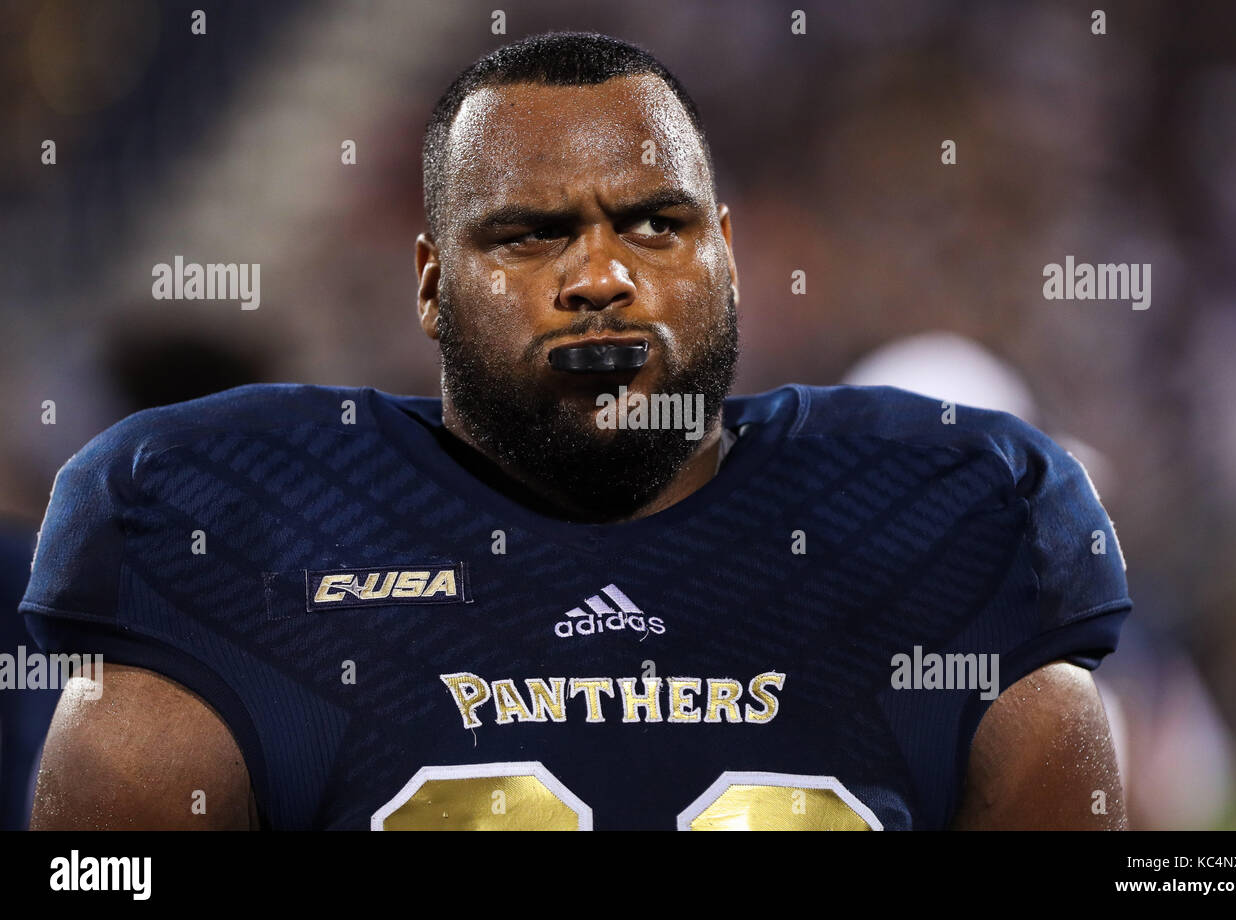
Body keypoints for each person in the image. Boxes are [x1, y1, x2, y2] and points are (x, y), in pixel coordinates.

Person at [21, 32, 1131, 830]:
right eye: (528, 234)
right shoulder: (238, 534)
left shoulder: (941, 520)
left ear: (728, 256)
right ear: (429, 283)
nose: (600, 276)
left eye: (656, 224)